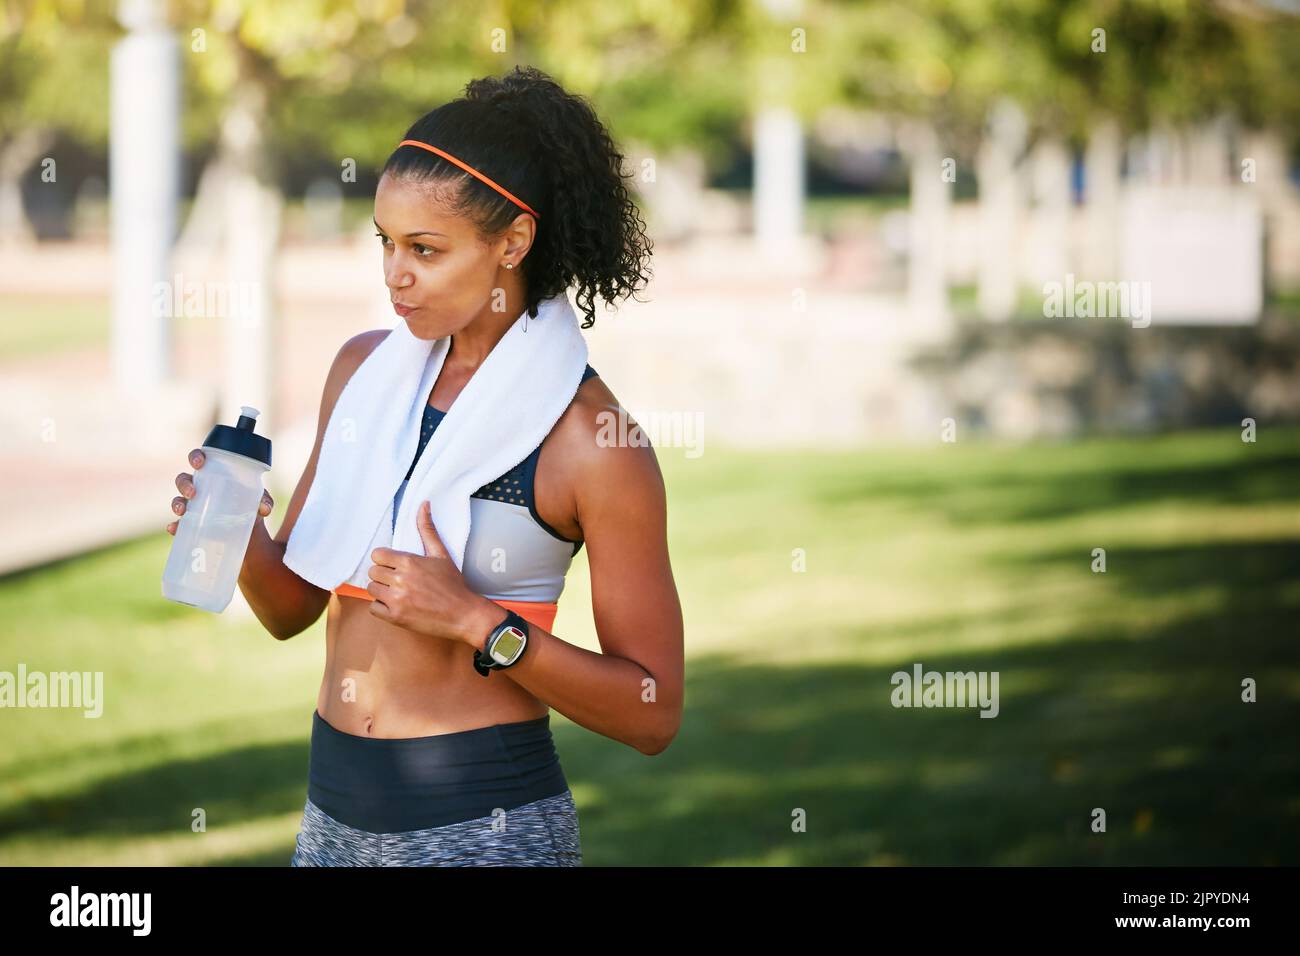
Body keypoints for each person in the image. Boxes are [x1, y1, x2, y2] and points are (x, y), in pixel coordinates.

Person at [167, 66, 683, 866]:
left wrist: (476, 621)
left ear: (512, 241)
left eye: (425, 249)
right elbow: (290, 611)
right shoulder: (365, 376)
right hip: (332, 818)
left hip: (483, 828)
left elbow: (652, 712)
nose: (393, 274)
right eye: (385, 242)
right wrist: (239, 536)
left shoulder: (588, 439)